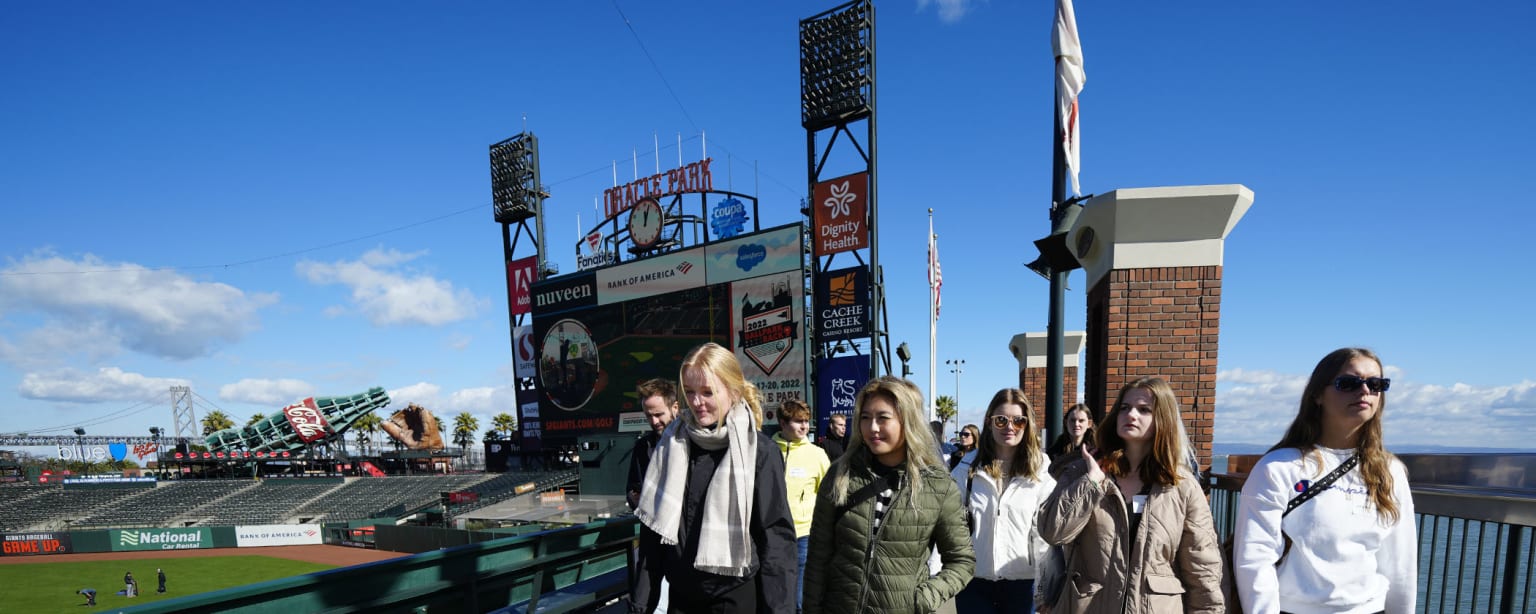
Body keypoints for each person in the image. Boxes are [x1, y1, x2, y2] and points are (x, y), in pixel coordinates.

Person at [1232, 348, 1416, 614]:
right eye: (1349, 383)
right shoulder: (1279, 467)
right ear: (1317, 394)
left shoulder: (1391, 471)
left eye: (1376, 384)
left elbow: (1400, 564)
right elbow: (1255, 559)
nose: (1364, 391)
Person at [630, 342, 796, 613]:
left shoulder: (760, 451)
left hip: (734, 597)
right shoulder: (671, 443)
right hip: (682, 597)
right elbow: (653, 538)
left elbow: (775, 541)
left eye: (707, 392)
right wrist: (640, 605)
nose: (697, 403)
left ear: (732, 390)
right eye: (690, 392)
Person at [1036, 377, 1223, 613]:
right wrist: (1091, 482)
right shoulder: (1082, 470)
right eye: (1125, 408)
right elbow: (1052, 531)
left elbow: (1202, 569)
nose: (1131, 414)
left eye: (1144, 409)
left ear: (1163, 419)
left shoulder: (1182, 487)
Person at [803, 376, 975, 614]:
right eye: (865, 418)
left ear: (908, 421)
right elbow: (817, 557)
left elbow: (962, 561)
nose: (872, 427)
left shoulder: (938, 485)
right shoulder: (840, 474)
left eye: (883, 418)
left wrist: (921, 599)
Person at [951, 389, 1055, 613]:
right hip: (973, 582)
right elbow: (949, 525)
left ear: (1027, 425)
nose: (1010, 427)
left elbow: (1045, 535)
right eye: (1001, 420)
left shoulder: (1041, 470)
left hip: (1023, 583)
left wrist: (1044, 587)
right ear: (989, 422)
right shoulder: (966, 469)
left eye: (1018, 421)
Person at [773, 399, 831, 612]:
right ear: (782, 423)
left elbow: (828, 494)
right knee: (777, 593)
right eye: (798, 421)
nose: (804, 426)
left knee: (799, 600)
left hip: (804, 534)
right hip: (773, 535)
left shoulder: (817, 454)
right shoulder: (767, 449)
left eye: (806, 421)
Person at [628, 378, 680, 510]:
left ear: (675, 408)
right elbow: (633, 489)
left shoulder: (692, 441)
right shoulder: (642, 446)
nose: (654, 421)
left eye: (658, 414)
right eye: (648, 416)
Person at [1045, 403, 1095, 478]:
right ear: (1066, 422)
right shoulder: (1054, 452)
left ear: (1089, 424)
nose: (1076, 424)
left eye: (1081, 421)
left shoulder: (1096, 449)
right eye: (1072, 420)